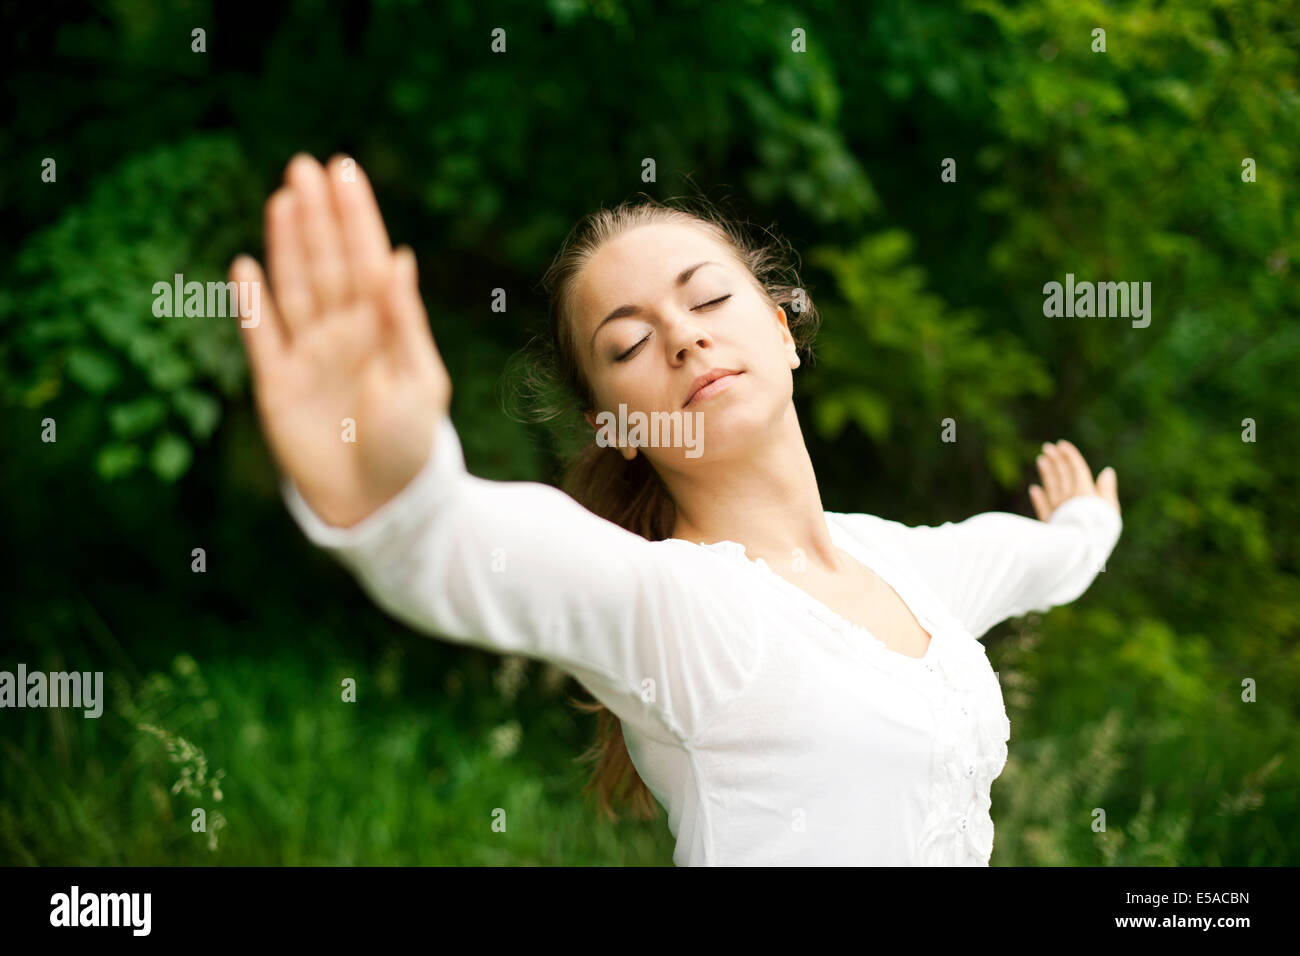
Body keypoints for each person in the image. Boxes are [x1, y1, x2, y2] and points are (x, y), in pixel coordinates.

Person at [228, 153, 1122, 866]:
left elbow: (1039, 557)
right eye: (628, 342)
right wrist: (394, 489)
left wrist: (1087, 526)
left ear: (780, 328)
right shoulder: (684, 611)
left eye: (710, 299)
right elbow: (467, 546)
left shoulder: (906, 568)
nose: (685, 336)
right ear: (614, 423)